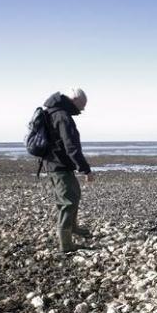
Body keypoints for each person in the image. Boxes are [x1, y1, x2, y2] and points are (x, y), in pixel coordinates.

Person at [42, 88, 94, 253]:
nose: (82, 110)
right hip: (59, 166)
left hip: (55, 164)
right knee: (68, 201)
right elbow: (71, 146)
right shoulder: (62, 116)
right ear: (75, 100)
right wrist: (85, 170)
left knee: (73, 195)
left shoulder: (54, 112)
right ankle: (66, 244)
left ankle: (73, 227)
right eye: (82, 105)